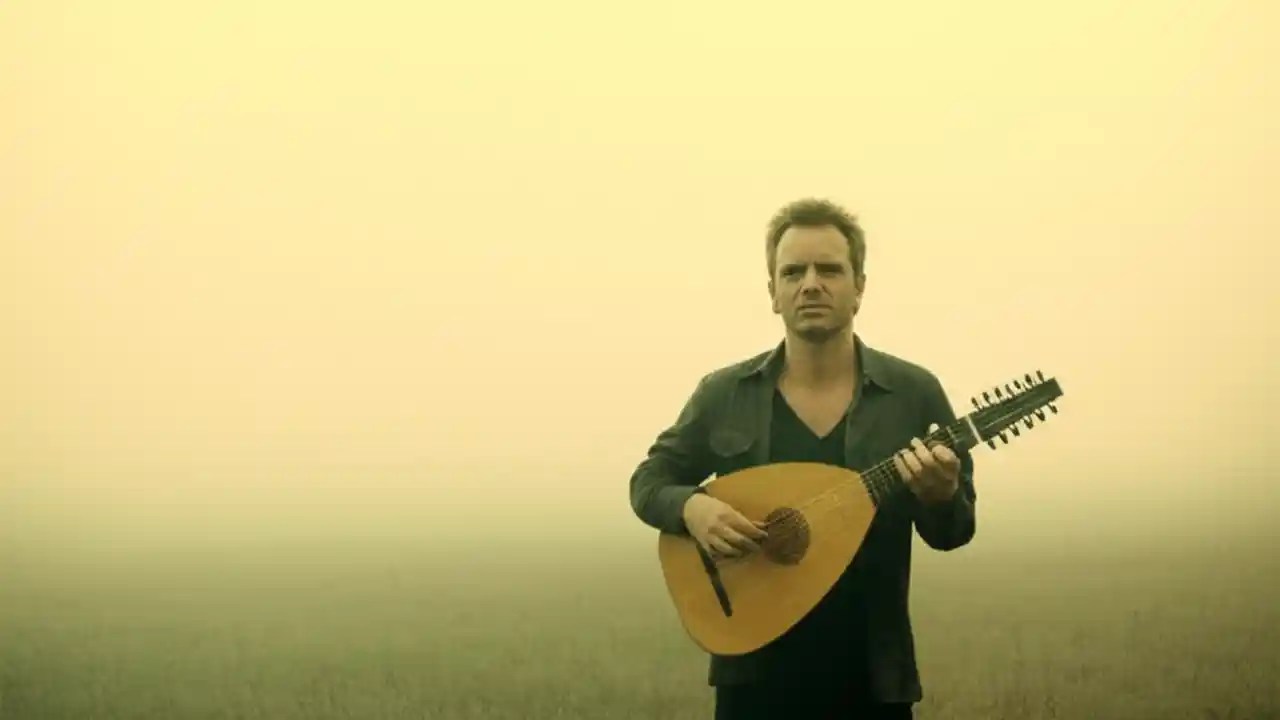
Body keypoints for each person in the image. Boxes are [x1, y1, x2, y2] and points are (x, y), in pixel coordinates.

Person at [628, 198, 977, 719]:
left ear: (859, 287)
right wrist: (692, 509)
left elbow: (953, 532)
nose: (811, 283)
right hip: (752, 675)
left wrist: (941, 495)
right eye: (793, 272)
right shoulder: (726, 394)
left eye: (830, 269)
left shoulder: (912, 393)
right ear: (773, 292)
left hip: (873, 680)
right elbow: (649, 481)